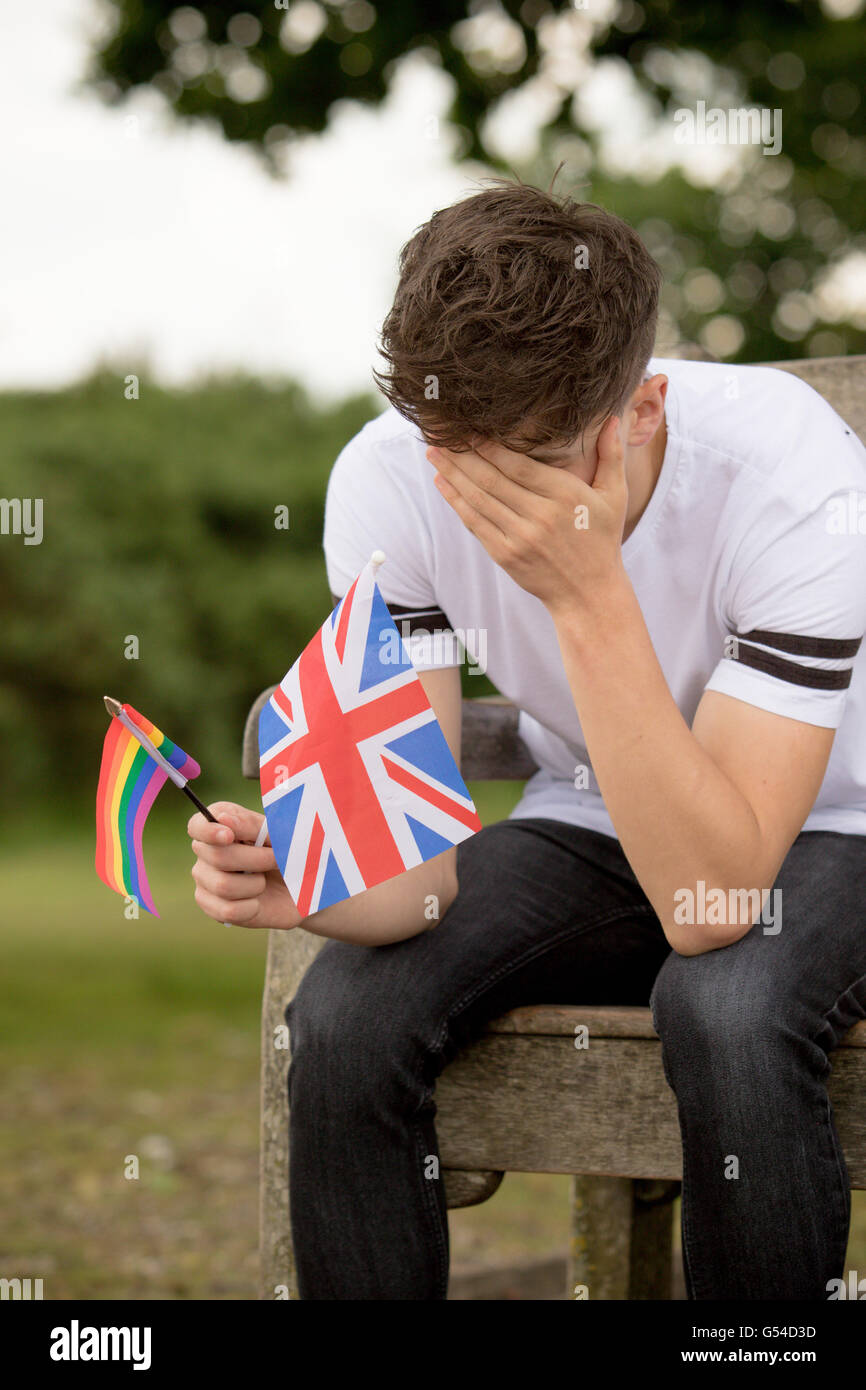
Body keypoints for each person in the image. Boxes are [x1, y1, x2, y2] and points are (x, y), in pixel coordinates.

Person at [188, 178, 866, 1300]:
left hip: (838, 820)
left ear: (637, 410)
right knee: (346, 1010)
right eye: (454, 450)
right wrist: (312, 881)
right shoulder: (390, 480)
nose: (483, 505)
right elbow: (413, 882)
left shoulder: (793, 487)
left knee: (728, 1006)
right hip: (595, 811)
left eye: (531, 461)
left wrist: (591, 597)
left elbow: (709, 906)